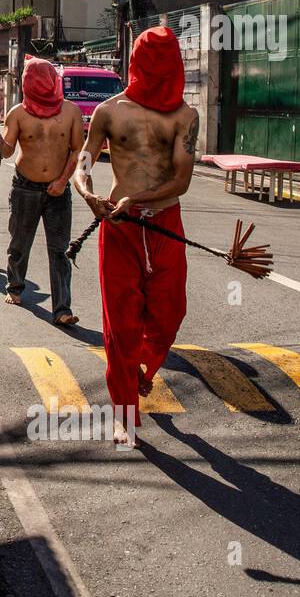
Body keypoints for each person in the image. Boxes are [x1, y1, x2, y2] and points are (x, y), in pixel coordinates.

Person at [73, 26, 198, 448]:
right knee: (120, 325)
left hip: (164, 224)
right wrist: (87, 192)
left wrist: (138, 197)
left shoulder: (185, 116)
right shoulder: (109, 111)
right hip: (120, 227)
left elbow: (180, 181)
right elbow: (84, 161)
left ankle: (143, 367)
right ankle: (124, 414)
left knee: (170, 313)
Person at [0, 58, 82, 326]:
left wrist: (63, 180)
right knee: (19, 242)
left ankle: (62, 309)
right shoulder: (17, 113)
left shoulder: (71, 111)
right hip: (24, 186)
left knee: (60, 251)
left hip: (58, 192)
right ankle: (15, 287)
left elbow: (77, 150)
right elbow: (7, 151)